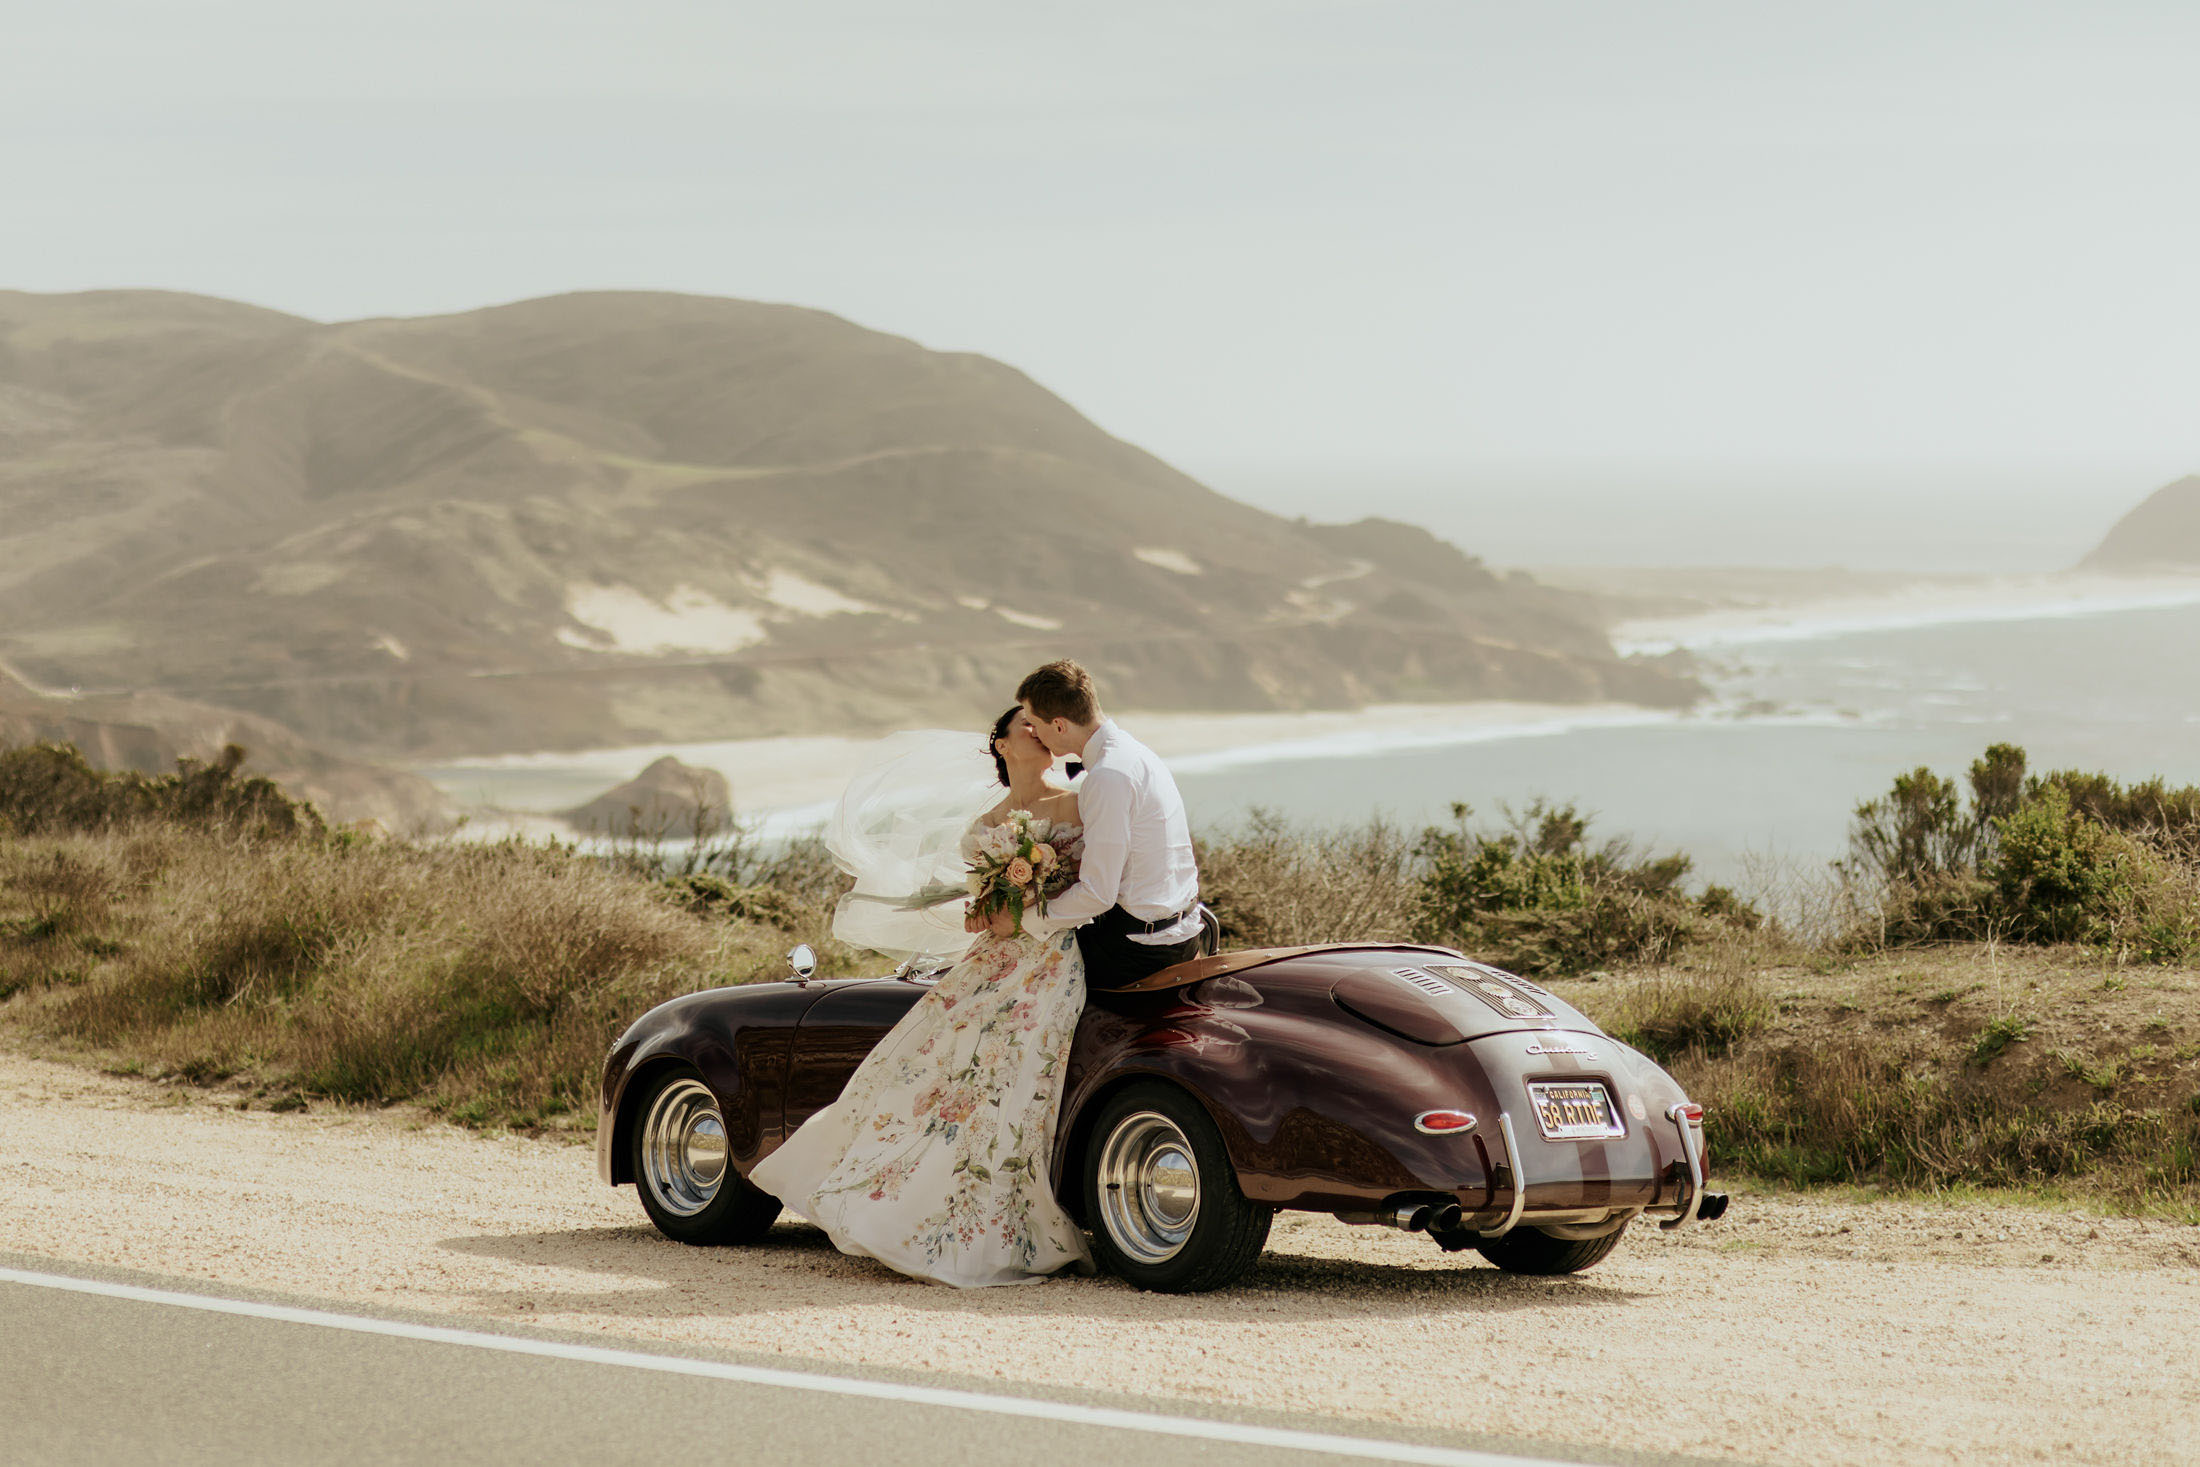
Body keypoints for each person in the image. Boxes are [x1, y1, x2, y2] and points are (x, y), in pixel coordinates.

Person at [747, 708, 1094, 1287]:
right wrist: (1002, 900)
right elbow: (976, 916)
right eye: (1025, 728)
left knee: (1012, 1078)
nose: (1039, 734)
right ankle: (894, 1207)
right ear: (1002, 747)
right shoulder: (987, 824)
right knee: (927, 1072)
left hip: (1052, 961)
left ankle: (998, 1222)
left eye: (1042, 726)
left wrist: (1035, 893)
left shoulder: (1078, 804)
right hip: (992, 961)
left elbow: (1096, 884)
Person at [1014, 659, 1205, 989]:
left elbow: (1098, 895)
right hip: (1180, 927)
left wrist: (1022, 921)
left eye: (1034, 724)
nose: (1033, 733)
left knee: (1016, 980)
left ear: (1059, 726)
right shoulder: (1132, 751)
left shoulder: (1107, 777)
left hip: (1140, 949)